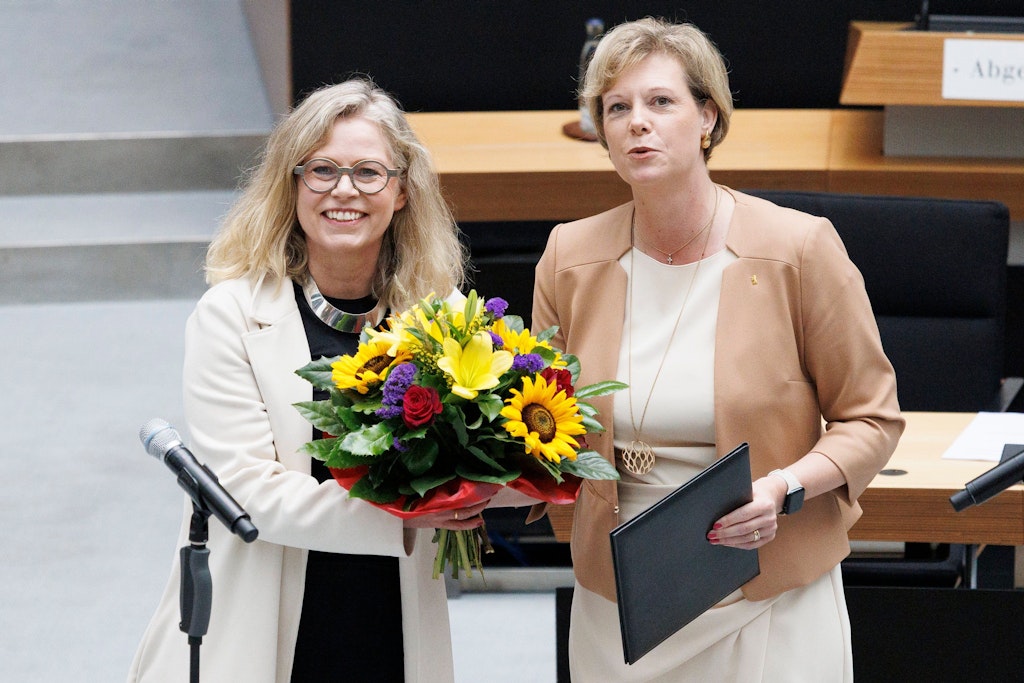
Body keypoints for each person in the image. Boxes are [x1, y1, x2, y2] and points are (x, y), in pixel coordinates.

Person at [532, 18, 905, 681]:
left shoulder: (799, 247)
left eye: (660, 102)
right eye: (616, 108)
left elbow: (871, 420)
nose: (636, 123)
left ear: (708, 114)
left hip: (768, 590)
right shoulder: (569, 255)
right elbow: (543, 433)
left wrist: (785, 487)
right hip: (623, 599)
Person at [128, 78, 486, 683]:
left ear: (401, 190)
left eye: (368, 173)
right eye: (321, 170)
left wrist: (502, 481)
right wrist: (404, 516)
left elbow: (489, 450)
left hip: (390, 617)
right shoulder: (231, 316)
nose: (344, 190)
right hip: (267, 617)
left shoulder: (443, 314)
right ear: (291, 185)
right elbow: (248, 490)